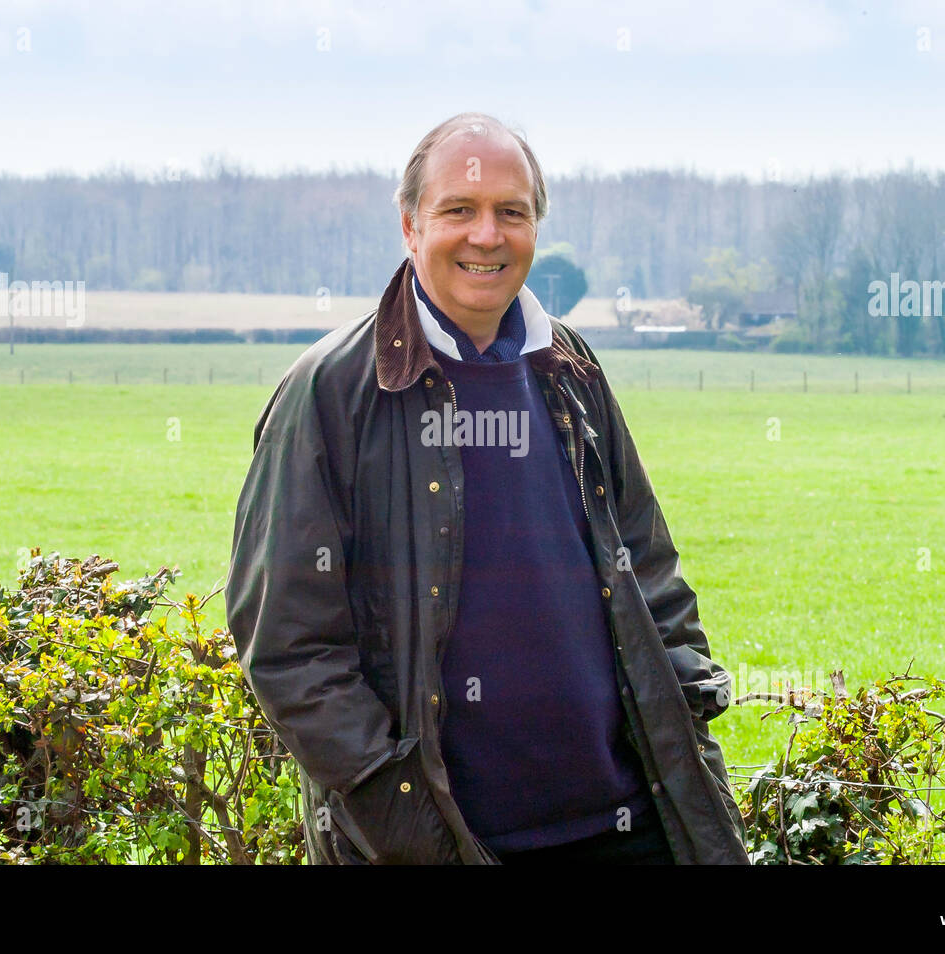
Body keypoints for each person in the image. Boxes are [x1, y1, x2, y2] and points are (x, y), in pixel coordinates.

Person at [225, 111, 749, 865]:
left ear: (536, 227)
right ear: (410, 226)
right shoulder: (332, 393)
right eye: (458, 210)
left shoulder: (570, 367)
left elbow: (646, 562)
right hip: (449, 844)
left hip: (631, 832)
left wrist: (690, 709)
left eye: (511, 211)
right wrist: (404, 825)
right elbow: (287, 647)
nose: (487, 235)